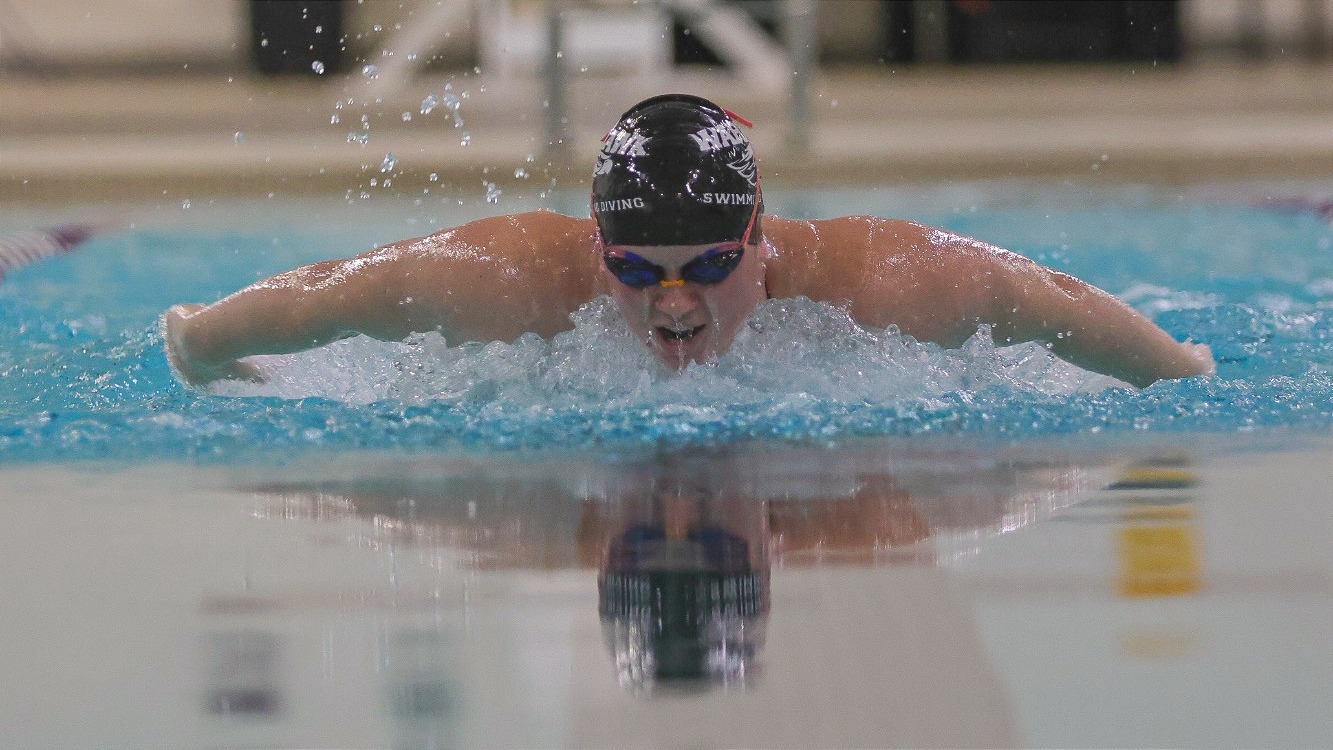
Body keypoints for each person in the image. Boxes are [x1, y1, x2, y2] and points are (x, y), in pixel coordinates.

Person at [164, 93, 1213, 389]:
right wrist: (205, 347)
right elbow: (324, 292)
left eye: (708, 265)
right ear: (595, 249)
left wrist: (1178, 370)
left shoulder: (881, 281)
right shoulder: (506, 281)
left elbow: (1048, 300)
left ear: (761, 245)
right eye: (636, 270)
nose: (673, 303)